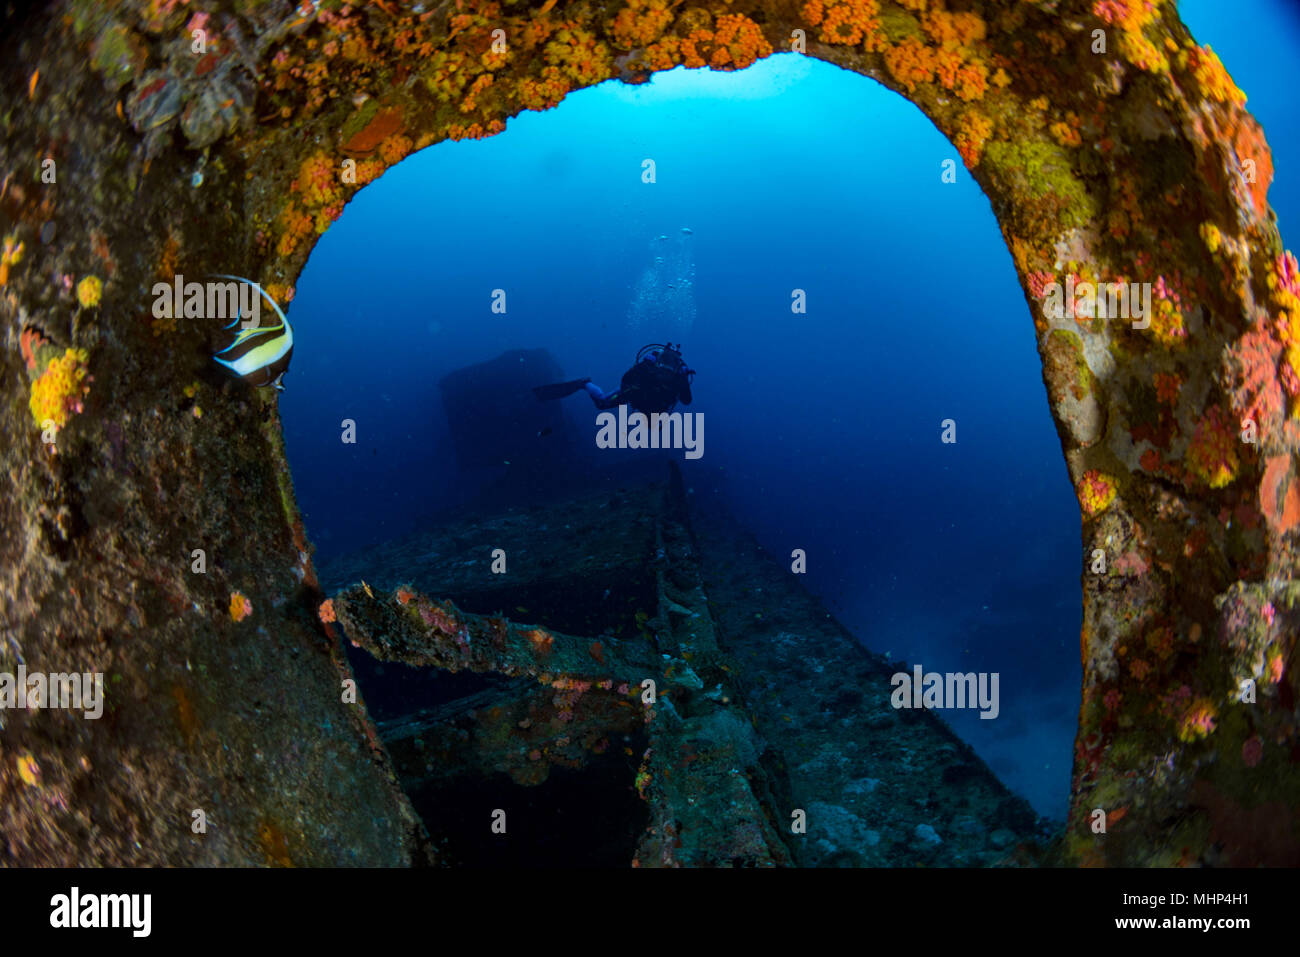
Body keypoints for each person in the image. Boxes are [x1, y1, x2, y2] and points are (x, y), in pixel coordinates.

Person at [533, 343, 695, 415]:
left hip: (653, 407)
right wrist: (642, 368)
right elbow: (625, 380)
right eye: (664, 363)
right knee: (602, 403)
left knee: (652, 424)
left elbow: (687, 401)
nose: (666, 369)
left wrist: (683, 382)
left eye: (670, 365)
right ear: (659, 361)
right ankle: (584, 383)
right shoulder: (648, 369)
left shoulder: (678, 379)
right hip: (634, 395)